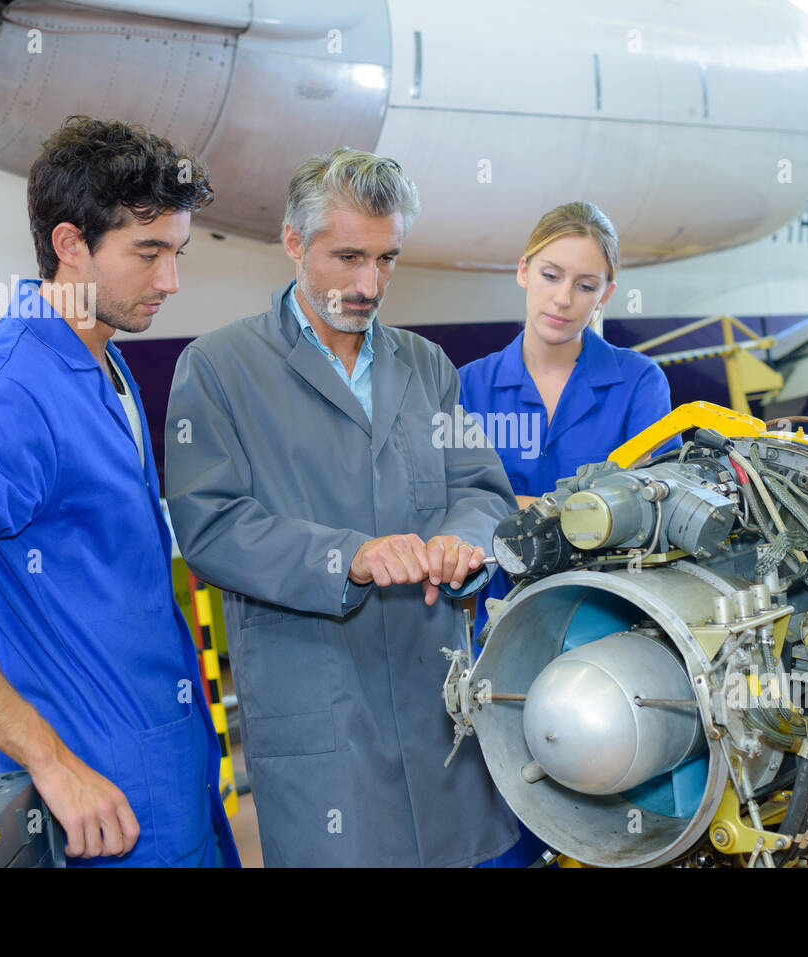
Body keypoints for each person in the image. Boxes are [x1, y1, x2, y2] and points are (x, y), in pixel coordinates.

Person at [0, 116, 239, 868]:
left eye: (178, 252)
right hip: (104, 812)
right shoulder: (14, 394)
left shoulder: (99, 359)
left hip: (172, 776)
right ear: (70, 245)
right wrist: (50, 761)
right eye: (149, 253)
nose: (171, 281)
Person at [164, 147, 519, 867]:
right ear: (295, 243)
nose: (369, 283)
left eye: (387, 258)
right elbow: (211, 522)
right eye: (349, 256)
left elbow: (481, 491)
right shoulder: (219, 369)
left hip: (437, 703)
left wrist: (463, 539)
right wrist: (346, 555)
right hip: (320, 708)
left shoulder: (425, 367)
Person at [458, 201, 680, 866]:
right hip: (498, 632)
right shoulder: (470, 387)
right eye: (552, 274)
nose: (564, 298)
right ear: (522, 271)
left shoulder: (639, 383)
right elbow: (456, 507)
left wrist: (519, 508)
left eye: (585, 285)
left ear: (605, 293)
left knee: (616, 817)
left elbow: (650, 506)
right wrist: (579, 507)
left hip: (611, 627)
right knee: (502, 820)